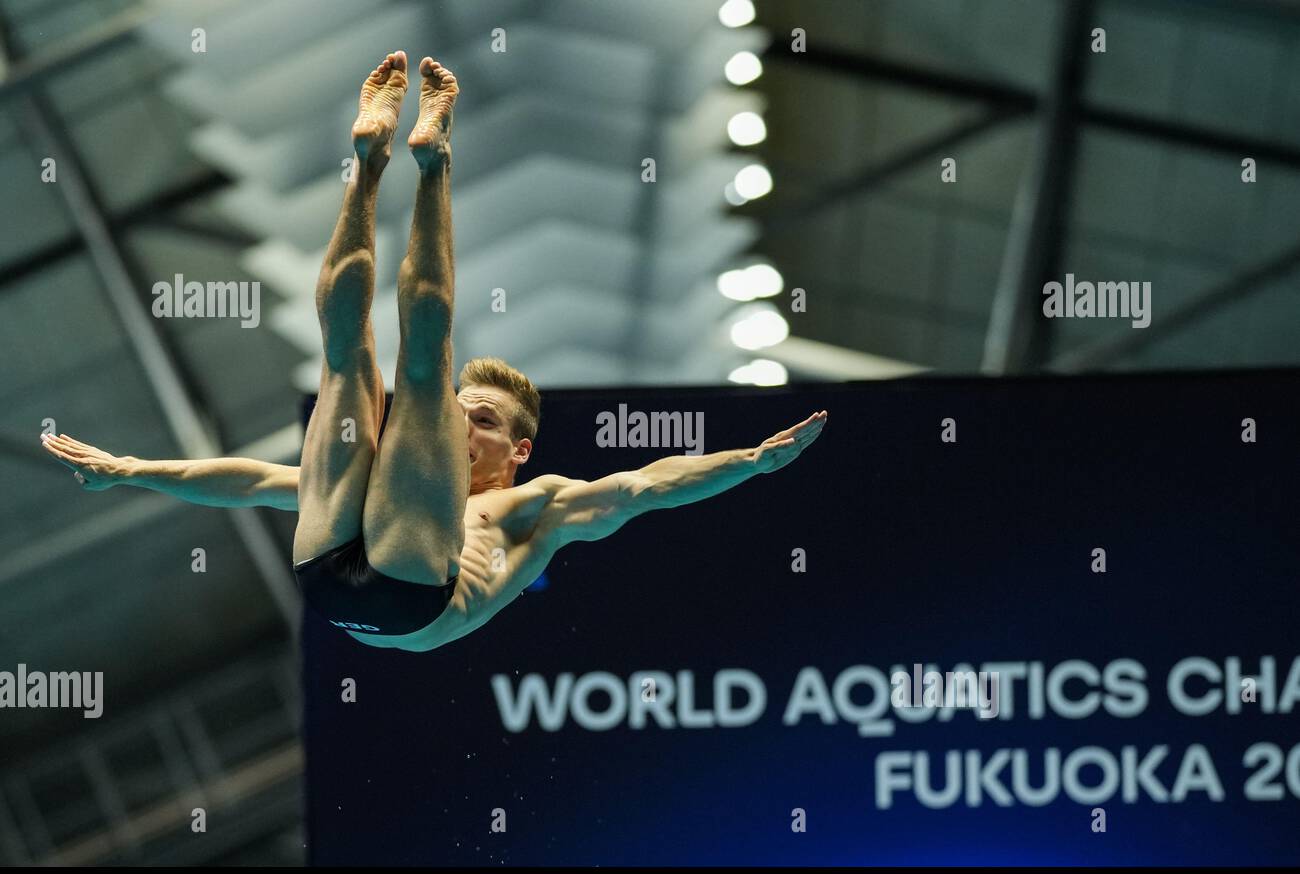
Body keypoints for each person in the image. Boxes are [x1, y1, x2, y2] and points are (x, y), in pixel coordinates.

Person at [41, 51, 828, 653]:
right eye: (459, 413)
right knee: (346, 357)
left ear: (520, 447)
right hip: (341, 574)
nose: (457, 421)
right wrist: (132, 470)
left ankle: (433, 163)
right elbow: (248, 480)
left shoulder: (535, 507)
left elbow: (644, 486)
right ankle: (373, 162)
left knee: (422, 364)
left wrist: (747, 462)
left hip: (407, 592)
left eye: (477, 418)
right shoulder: (402, 468)